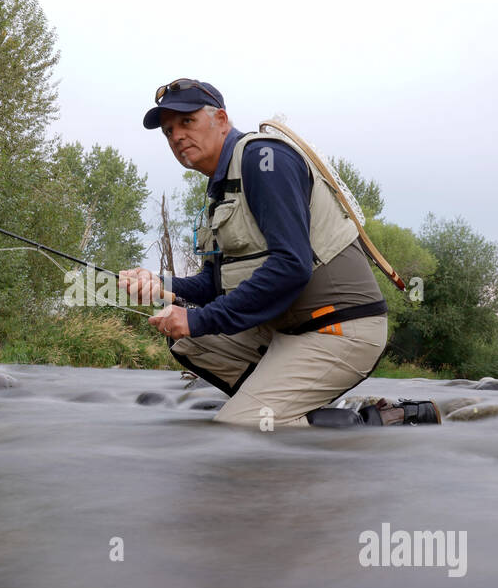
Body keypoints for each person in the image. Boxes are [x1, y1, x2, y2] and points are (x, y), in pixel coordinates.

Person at [118, 78, 439, 428]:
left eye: (187, 122)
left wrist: (196, 320)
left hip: (339, 327)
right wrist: (161, 283)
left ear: (221, 120)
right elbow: (214, 284)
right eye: (168, 131)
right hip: (286, 328)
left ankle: (379, 418)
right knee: (188, 342)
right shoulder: (221, 185)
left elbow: (292, 266)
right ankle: (297, 405)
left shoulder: (263, 160)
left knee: (242, 424)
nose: (176, 136)